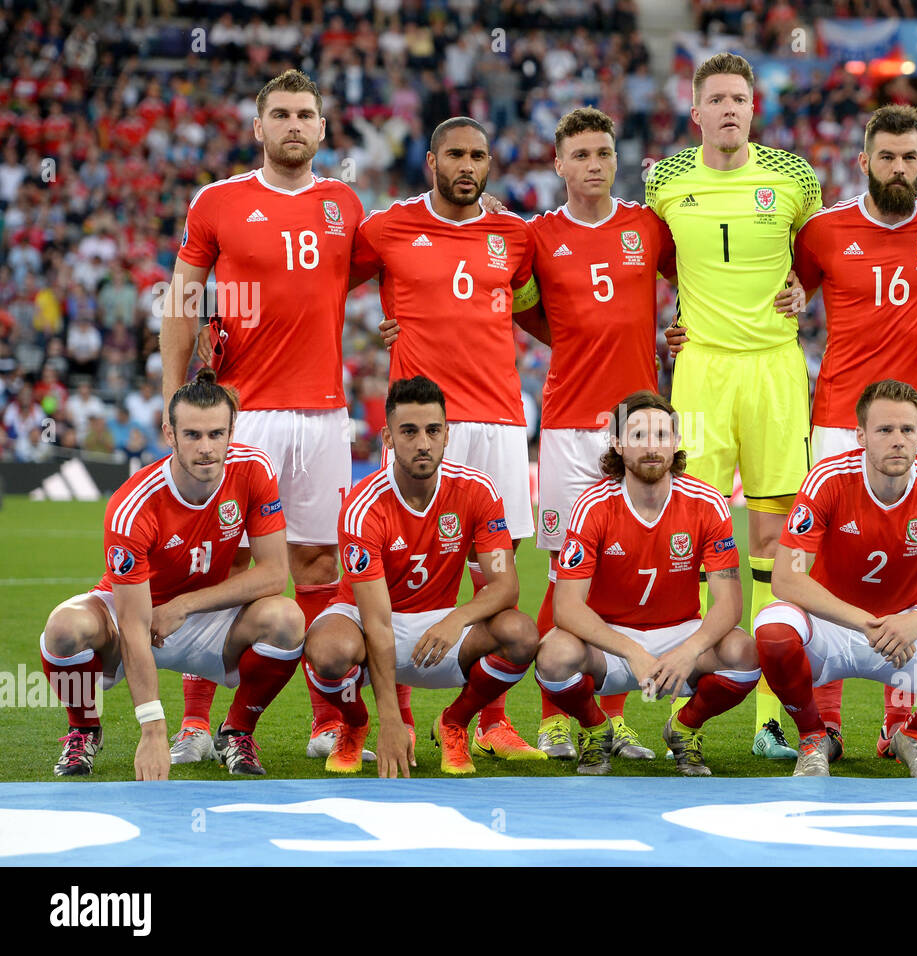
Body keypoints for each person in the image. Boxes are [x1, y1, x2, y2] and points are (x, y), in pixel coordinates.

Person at [159, 69, 367, 763]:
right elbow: (182, 303)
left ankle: (325, 720)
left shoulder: (345, 204)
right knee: (224, 561)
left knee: (318, 561)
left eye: (305, 114)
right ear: (258, 127)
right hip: (243, 414)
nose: (293, 124)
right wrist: (173, 398)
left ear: (323, 128)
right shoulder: (218, 201)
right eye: (280, 114)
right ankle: (194, 725)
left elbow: (385, 272)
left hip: (325, 415)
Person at [349, 116, 545, 761]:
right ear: (431, 161)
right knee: (404, 566)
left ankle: (483, 722)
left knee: (497, 569)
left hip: (499, 420)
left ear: (490, 164)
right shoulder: (387, 226)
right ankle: (401, 718)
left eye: (478, 156)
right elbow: (322, 285)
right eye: (455, 154)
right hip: (422, 423)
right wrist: (374, 328)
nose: (467, 165)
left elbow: (540, 313)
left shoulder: (514, 235)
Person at [646, 52, 820, 760]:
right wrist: (674, 318)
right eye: (715, 99)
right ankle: (684, 697)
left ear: (754, 109)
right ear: (696, 112)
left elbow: (819, 256)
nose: (728, 109)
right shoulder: (664, 181)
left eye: (738, 99)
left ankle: (769, 719)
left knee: (775, 545)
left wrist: (805, 290)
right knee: (692, 539)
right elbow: (656, 260)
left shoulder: (794, 177)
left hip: (775, 371)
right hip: (701, 373)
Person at [792, 103, 917, 762]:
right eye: (886, 157)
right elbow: (789, 302)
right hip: (839, 420)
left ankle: (899, 721)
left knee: (911, 564)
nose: (898, 168)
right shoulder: (822, 230)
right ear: (864, 161)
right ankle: (829, 722)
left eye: (909, 157)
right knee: (828, 566)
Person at [38, 370, 304, 779]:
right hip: (135, 617)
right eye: (193, 435)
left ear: (232, 431)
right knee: (62, 629)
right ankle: (84, 728)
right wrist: (153, 728)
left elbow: (273, 575)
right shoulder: (132, 505)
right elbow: (133, 623)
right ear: (170, 435)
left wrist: (184, 606)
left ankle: (236, 732)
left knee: (287, 619)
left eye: (216, 434)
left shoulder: (255, 468)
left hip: (206, 616)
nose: (206, 448)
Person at [752, 379, 917, 778]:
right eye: (884, 430)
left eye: (907, 430)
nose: (898, 440)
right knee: (772, 628)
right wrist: (866, 622)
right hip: (834, 630)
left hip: (908, 636)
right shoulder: (827, 478)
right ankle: (813, 736)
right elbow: (787, 578)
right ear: (861, 436)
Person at [524, 107, 677, 761]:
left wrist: (681, 332)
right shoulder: (537, 235)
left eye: (604, 153)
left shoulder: (648, 227)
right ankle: (556, 719)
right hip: (567, 426)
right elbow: (515, 305)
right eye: (581, 154)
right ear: (559, 163)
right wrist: (571, 343)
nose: (594, 164)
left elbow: (697, 282)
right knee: (566, 573)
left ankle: (611, 720)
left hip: (637, 424)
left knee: (620, 571)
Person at [301, 376, 543, 776]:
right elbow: (378, 622)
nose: (423, 443)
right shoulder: (363, 506)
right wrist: (390, 721)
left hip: (439, 621)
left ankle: (454, 722)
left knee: (521, 634)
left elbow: (506, 587)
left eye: (433, 430)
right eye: (409, 432)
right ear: (388, 438)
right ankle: (355, 724)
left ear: (447, 435)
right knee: (327, 651)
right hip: (366, 621)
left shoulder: (478, 490)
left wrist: (456, 619)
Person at [536, 390, 760, 776]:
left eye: (661, 435)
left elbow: (729, 604)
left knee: (745, 653)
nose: (652, 446)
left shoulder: (707, 503)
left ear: (676, 442)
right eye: (638, 435)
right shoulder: (593, 505)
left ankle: (684, 728)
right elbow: (566, 607)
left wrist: (690, 650)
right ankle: (595, 728)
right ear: (618, 444)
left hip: (679, 634)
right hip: (609, 643)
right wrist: (632, 651)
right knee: (553, 655)